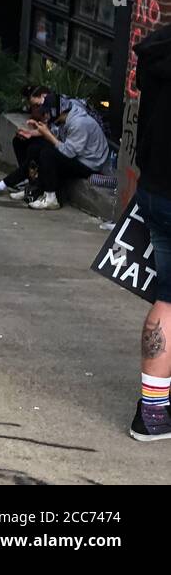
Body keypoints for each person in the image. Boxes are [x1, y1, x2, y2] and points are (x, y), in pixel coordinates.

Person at [127, 22, 171, 440]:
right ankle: (153, 413)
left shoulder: (159, 47)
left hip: (156, 189)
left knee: (168, 299)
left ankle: (155, 409)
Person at [0, 92, 109, 210]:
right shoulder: (66, 114)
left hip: (89, 164)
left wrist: (47, 134)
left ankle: (51, 198)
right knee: (30, 145)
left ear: (57, 111)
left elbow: (68, 152)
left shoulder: (79, 123)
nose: (45, 115)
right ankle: (30, 186)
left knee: (47, 153)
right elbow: (57, 135)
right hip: (77, 153)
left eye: (47, 112)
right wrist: (33, 133)